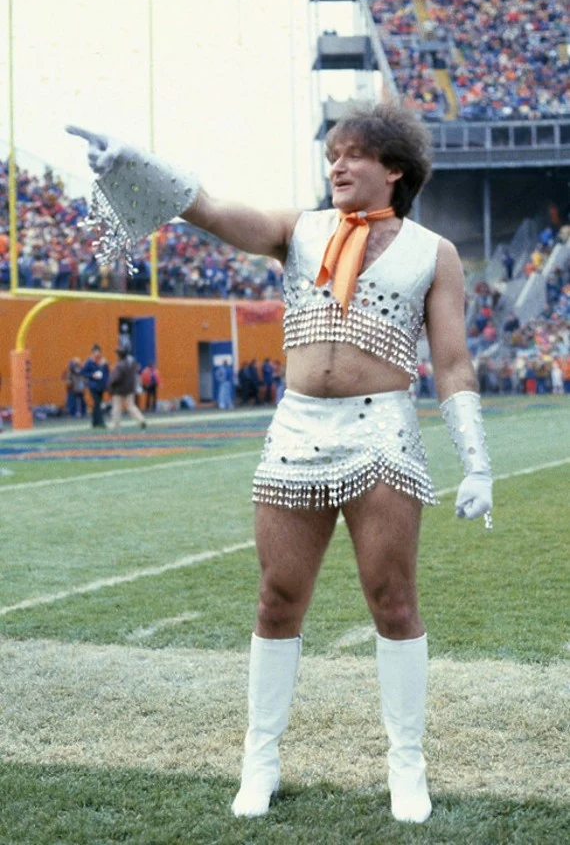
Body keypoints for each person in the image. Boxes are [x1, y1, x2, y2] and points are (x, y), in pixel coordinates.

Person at [67, 102, 493, 825]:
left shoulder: (434, 251)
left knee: (392, 603)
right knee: (276, 600)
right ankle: (259, 760)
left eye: (354, 153)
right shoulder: (300, 229)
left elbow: (451, 363)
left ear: (393, 169)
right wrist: (138, 163)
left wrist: (476, 461)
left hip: (381, 431)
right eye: (332, 153)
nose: (338, 164)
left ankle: (406, 765)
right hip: (296, 426)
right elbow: (214, 213)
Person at [108, 347, 147, 431]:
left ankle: (116, 425)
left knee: (117, 408)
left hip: (118, 390)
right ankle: (141, 420)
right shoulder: (130, 364)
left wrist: (110, 384)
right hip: (129, 389)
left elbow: (116, 378)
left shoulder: (119, 365)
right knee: (131, 406)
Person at [82, 344, 109, 428]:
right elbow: (83, 372)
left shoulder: (103, 361)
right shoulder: (89, 361)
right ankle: (101, 422)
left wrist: (106, 384)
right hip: (93, 385)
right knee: (97, 404)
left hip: (101, 386)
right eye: (95, 351)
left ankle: (94, 422)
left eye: (98, 351)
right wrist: (92, 375)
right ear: (93, 352)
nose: (97, 353)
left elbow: (106, 373)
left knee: (98, 403)